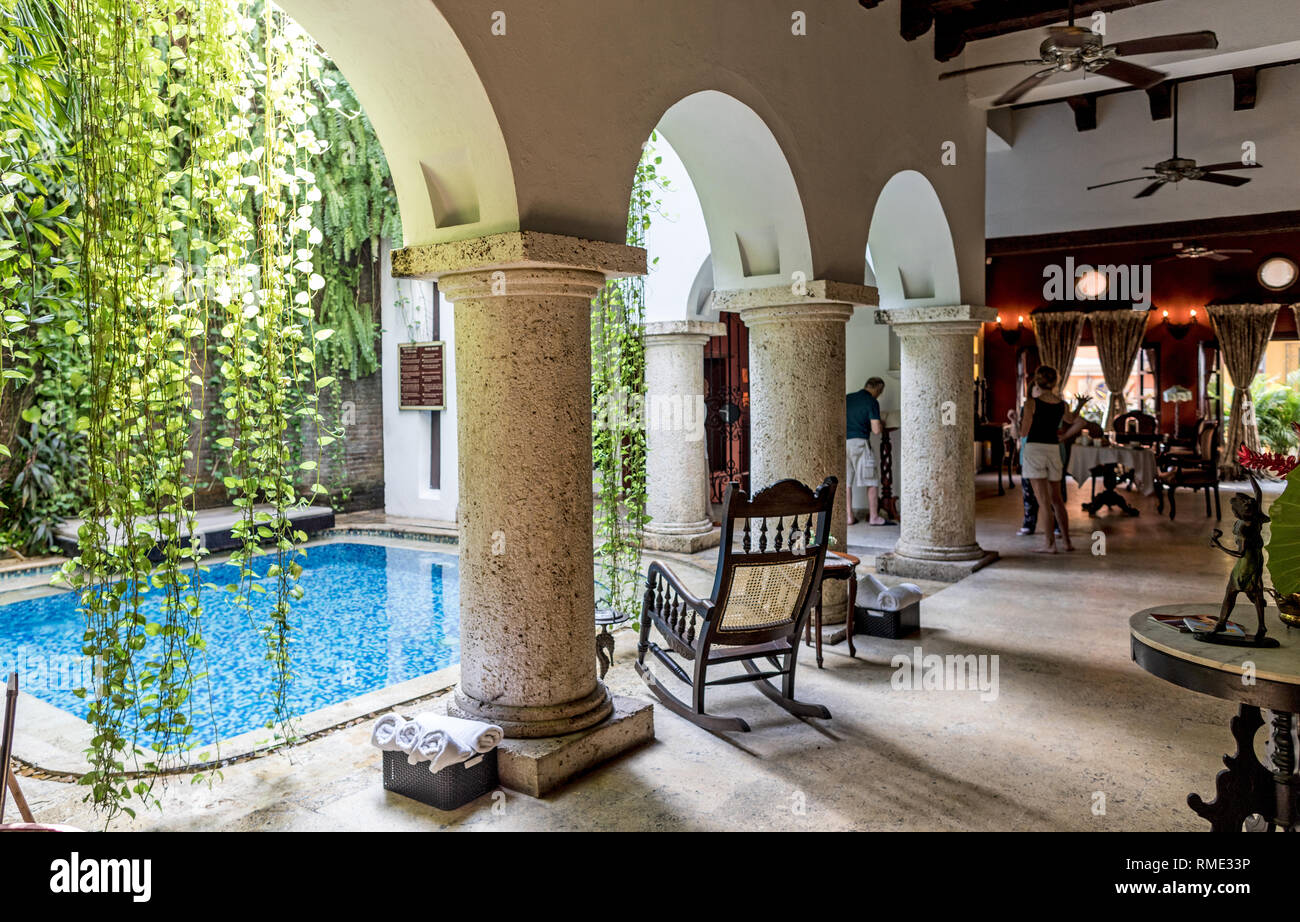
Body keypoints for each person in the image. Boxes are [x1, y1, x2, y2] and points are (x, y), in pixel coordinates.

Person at [1018, 366, 1083, 553]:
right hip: (1053, 450)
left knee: (1043, 501)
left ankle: (1049, 545)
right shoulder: (1062, 405)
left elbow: (1024, 432)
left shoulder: (1032, 403)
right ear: (1054, 383)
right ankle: (1067, 543)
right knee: (1057, 499)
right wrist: (1079, 406)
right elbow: (1071, 419)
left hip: (1035, 450)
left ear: (1037, 382)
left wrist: (1017, 421)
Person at [846, 377, 888, 526]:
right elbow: (876, 430)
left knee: (846, 482)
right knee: (871, 480)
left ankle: (849, 517)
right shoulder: (871, 401)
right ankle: (874, 517)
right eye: (880, 392)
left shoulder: (848, 398)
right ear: (877, 389)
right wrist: (881, 424)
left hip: (844, 444)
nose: (880, 395)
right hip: (860, 443)